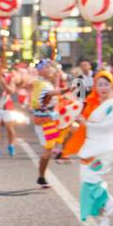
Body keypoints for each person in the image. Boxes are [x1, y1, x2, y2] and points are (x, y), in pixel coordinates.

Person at [62, 71, 113, 226]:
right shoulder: (92, 103)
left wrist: (86, 124)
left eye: (106, 84)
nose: (103, 88)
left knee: (91, 177)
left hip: (105, 149)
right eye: (99, 84)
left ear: (112, 85)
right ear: (95, 86)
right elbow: (79, 113)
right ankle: (105, 217)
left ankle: (109, 202)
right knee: (87, 180)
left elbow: (111, 127)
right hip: (90, 147)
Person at [29, 59, 66, 189]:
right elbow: (49, 95)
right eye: (46, 67)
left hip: (49, 120)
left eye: (50, 67)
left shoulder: (45, 82)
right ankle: (41, 176)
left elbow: (52, 97)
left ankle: (42, 177)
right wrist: (66, 90)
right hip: (43, 122)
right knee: (48, 150)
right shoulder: (40, 83)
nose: (49, 69)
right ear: (39, 70)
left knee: (50, 149)